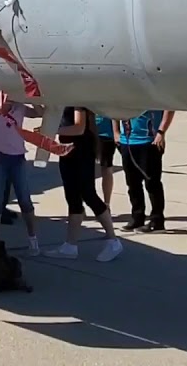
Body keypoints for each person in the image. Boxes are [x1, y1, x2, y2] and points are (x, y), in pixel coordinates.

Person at [45, 107, 123, 261]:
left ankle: (113, 240)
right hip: (67, 151)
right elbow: (45, 110)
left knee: (88, 194)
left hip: (82, 151)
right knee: (72, 196)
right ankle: (70, 245)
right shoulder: (62, 98)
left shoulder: (77, 99)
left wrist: (53, 130)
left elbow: (79, 127)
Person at [0, 81, 42, 256]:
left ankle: (33, 240)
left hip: (17, 158)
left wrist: (32, 95)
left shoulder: (20, 107)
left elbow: (39, 112)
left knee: (25, 200)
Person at [117, 109, 173, 232]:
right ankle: (137, 217)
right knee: (132, 184)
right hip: (127, 140)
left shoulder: (153, 93)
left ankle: (157, 220)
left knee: (152, 183)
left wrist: (161, 132)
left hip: (149, 141)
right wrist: (116, 132)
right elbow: (115, 109)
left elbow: (169, 108)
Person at [94, 113, 118, 206]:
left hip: (106, 133)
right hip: (88, 131)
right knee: (85, 169)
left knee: (106, 168)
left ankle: (106, 203)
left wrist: (116, 131)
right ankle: (81, 203)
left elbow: (114, 110)